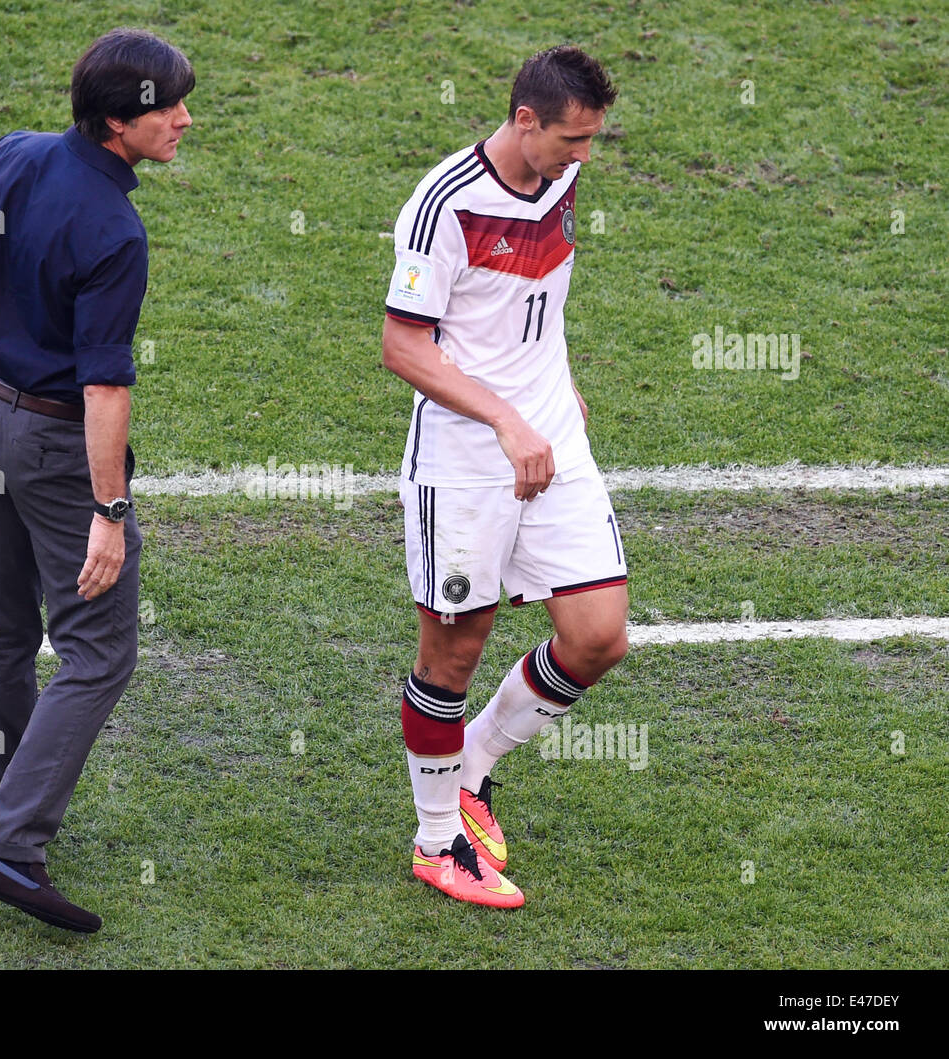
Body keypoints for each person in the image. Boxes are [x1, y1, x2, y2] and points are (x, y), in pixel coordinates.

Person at [0, 28, 194, 933]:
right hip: (55, 443)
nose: (184, 120)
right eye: (166, 108)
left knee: (4, 619)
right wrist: (109, 509)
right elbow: (105, 386)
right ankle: (9, 846)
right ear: (118, 123)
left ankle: (5, 798)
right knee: (100, 650)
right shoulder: (114, 229)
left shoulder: (14, 155)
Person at [381, 45, 625, 908]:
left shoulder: (561, 177)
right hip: (466, 458)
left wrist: (556, 391)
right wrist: (505, 416)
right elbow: (402, 346)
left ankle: (476, 762)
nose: (583, 157)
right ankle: (435, 840)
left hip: (550, 436)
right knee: (454, 650)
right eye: (572, 138)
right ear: (525, 120)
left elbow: (535, 301)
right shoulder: (442, 205)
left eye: (593, 139)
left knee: (599, 635)